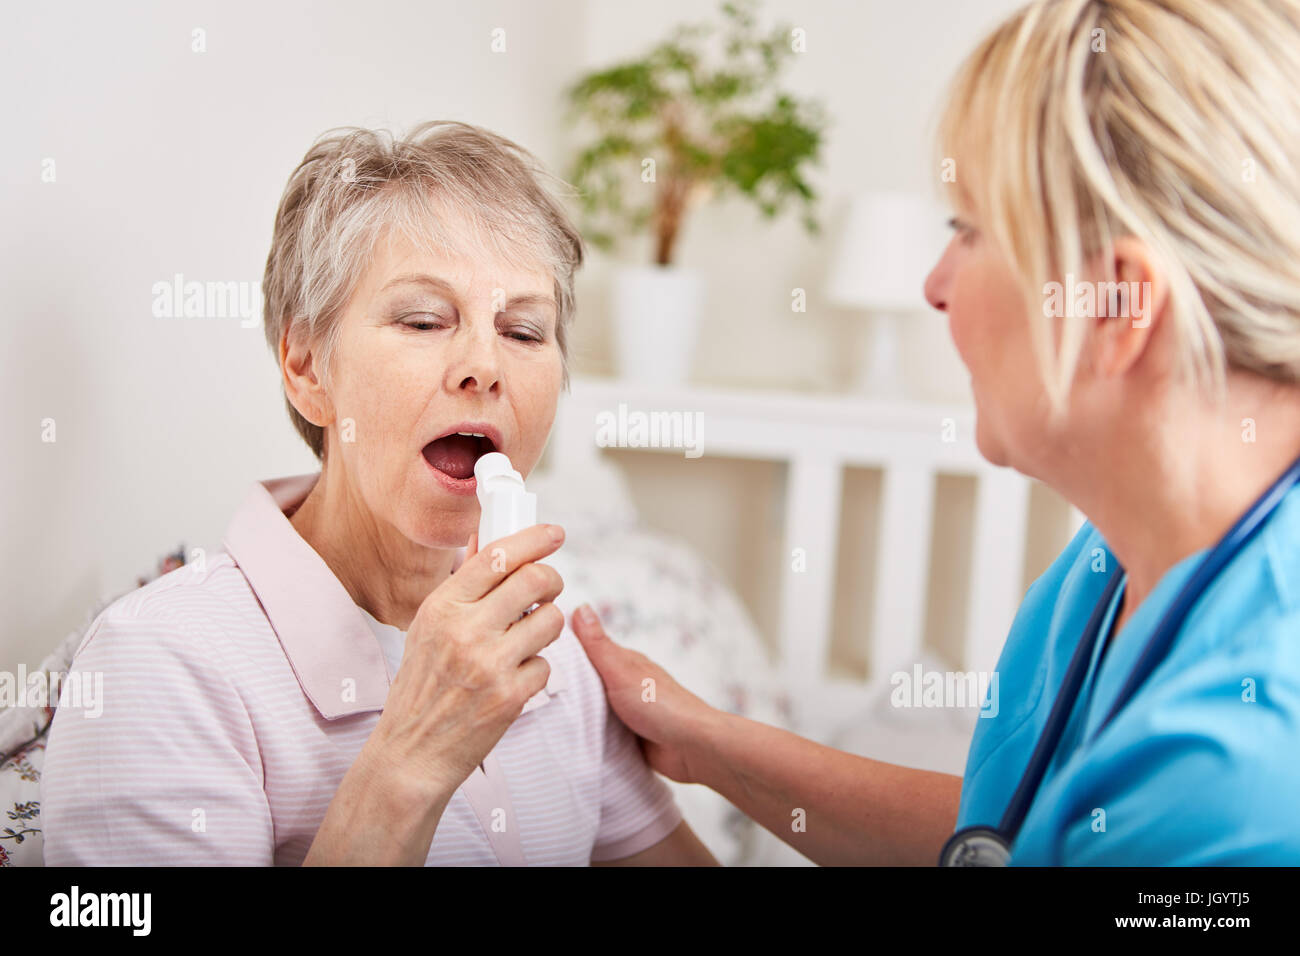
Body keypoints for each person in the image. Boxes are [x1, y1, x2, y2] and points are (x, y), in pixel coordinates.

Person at [568, 0, 1300, 865]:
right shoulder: (1105, 572)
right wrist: (705, 744)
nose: (934, 285)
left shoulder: (1242, 776)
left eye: (967, 231)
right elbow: (1018, 839)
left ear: (1116, 306)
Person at [41, 121, 716, 866]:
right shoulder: (160, 666)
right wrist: (413, 756)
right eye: (424, 319)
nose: (484, 366)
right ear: (306, 368)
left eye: (525, 331)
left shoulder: (545, 645)